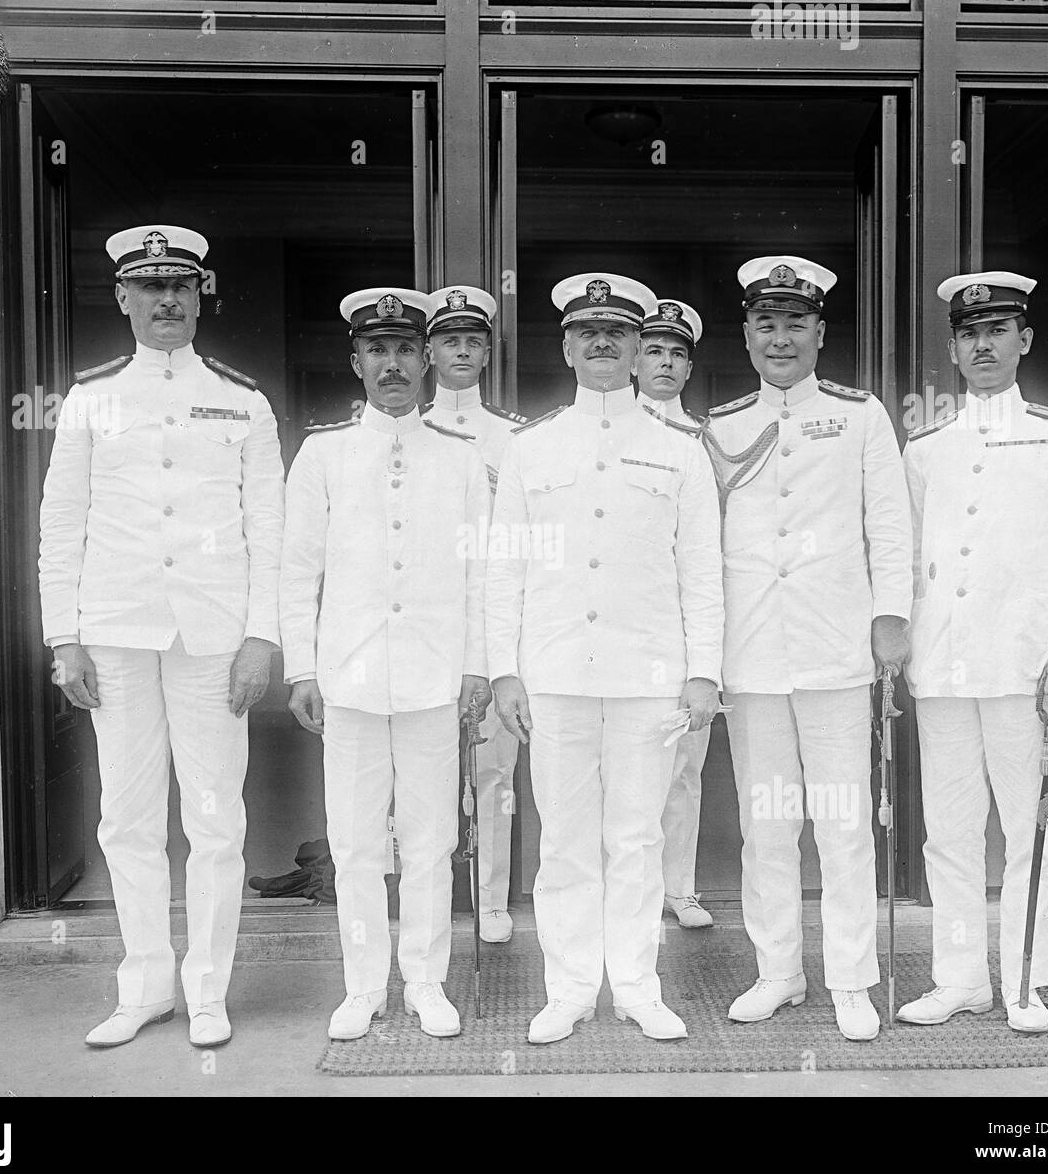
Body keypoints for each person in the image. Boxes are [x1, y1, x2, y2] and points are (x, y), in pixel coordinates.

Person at [39, 225, 285, 1049]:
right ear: (124, 298)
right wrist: (61, 636)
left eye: (181, 287)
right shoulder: (90, 397)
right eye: (151, 289)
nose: (168, 302)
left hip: (213, 633)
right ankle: (143, 984)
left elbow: (269, 526)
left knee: (217, 818)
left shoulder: (242, 398)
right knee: (128, 816)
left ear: (201, 294)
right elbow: (61, 521)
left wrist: (262, 636)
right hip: (115, 628)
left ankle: (207, 990)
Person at [486, 272, 724, 1044]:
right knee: (562, 838)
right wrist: (505, 669)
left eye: (617, 334)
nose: (602, 344)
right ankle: (569, 988)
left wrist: (702, 671)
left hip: (648, 675)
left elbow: (702, 569)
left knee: (638, 836)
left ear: (636, 346)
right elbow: (505, 568)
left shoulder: (679, 450)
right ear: (566, 346)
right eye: (588, 332)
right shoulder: (532, 446)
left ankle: (638, 985)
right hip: (554, 674)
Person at [897, 272, 1048, 1034]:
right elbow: (902, 553)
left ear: (1023, 340)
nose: (983, 345)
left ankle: (1026, 980)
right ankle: (961, 978)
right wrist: (894, 641)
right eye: (969, 334)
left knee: (1030, 829)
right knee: (951, 833)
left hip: (1027, 671)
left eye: (997, 331)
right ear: (955, 351)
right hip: (942, 668)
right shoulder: (927, 447)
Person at [701, 255, 912, 1041]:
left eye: (796, 323)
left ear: (821, 333)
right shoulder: (718, 425)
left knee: (844, 821)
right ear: (748, 337)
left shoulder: (861, 416)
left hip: (833, 648)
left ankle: (851, 978)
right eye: (766, 324)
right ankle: (779, 972)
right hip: (753, 654)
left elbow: (888, 523)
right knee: (768, 824)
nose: (780, 338)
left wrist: (891, 615)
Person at [280, 286, 491, 1041]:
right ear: (357, 361)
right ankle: (363, 985)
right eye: (378, 350)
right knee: (358, 843)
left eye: (407, 349)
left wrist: (476, 665)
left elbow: (480, 571)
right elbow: (296, 569)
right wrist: (302, 669)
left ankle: (426, 981)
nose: (393, 364)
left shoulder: (460, 458)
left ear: (427, 358)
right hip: (352, 676)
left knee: (432, 839)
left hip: (436, 676)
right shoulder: (323, 453)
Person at [421, 286, 526, 945]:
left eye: (473, 340)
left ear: (487, 351)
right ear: (429, 349)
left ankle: (490, 898)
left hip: (490, 619)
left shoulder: (514, 437)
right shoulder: (408, 426)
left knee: (495, 770)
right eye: (449, 340)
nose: (462, 351)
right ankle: (428, 902)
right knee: (424, 771)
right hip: (425, 620)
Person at [634, 297, 714, 930]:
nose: (664, 363)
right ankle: (628, 892)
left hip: (685, 631)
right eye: (654, 351)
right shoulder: (612, 430)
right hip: (629, 630)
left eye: (676, 354)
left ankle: (678, 887)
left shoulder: (705, 439)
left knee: (685, 767)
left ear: (689, 368)